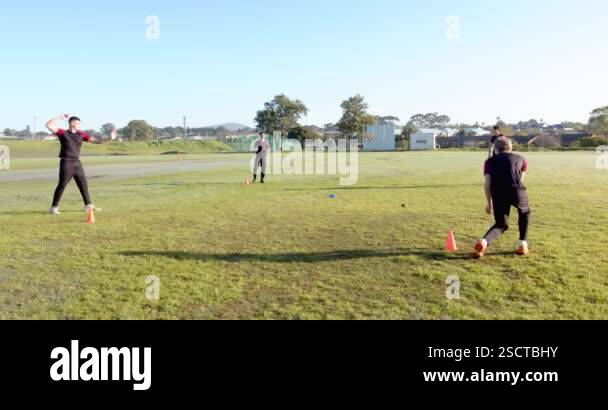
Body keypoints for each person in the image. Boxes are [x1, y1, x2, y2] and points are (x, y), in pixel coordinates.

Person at [474, 137, 531, 258]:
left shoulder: (489, 162)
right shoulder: (521, 159)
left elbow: (487, 184)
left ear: (495, 149)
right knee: (524, 212)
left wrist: (489, 204)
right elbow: (520, 179)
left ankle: (484, 242)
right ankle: (522, 244)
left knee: (501, 224)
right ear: (511, 148)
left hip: (498, 192)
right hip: (516, 190)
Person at [45, 114, 102, 214]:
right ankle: (53, 207)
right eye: (78, 123)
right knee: (62, 184)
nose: (79, 125)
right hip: (66, 161)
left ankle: (88, 205)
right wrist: (59, 118)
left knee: (83, 184)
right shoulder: (63, 133)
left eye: (80, 123)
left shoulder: (82, 134)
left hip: (77, 162)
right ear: (72, 123)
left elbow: (95, 141)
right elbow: (48, 125)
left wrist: (109, 138)